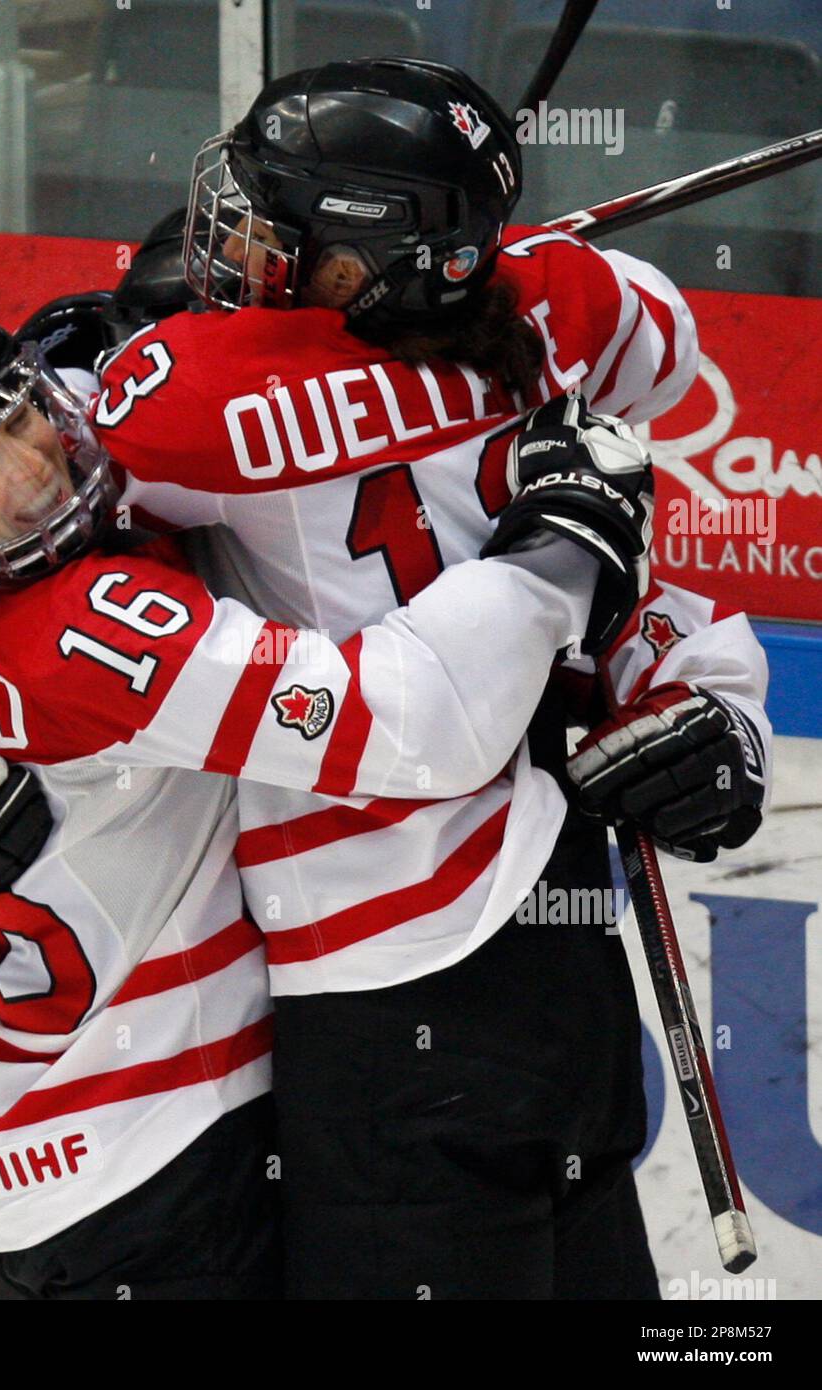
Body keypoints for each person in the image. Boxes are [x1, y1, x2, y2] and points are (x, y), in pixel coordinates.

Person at [80, 58, 772, 1298]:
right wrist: (510, 269)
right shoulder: (555, 312)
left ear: (365, 251)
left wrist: (78, 344)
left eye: (273, 215)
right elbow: (660, 337)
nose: (236, 234)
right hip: (558, 938)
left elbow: (12, 504)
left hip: (379, 987)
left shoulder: (189, 396)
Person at [0, 285, 617, 1298]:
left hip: (8, 1162)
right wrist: (556, 549)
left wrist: (131, 340)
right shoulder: (88, 640)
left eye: (18, 416)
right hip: (164, 1165)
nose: (29, 472)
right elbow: (421, 729)